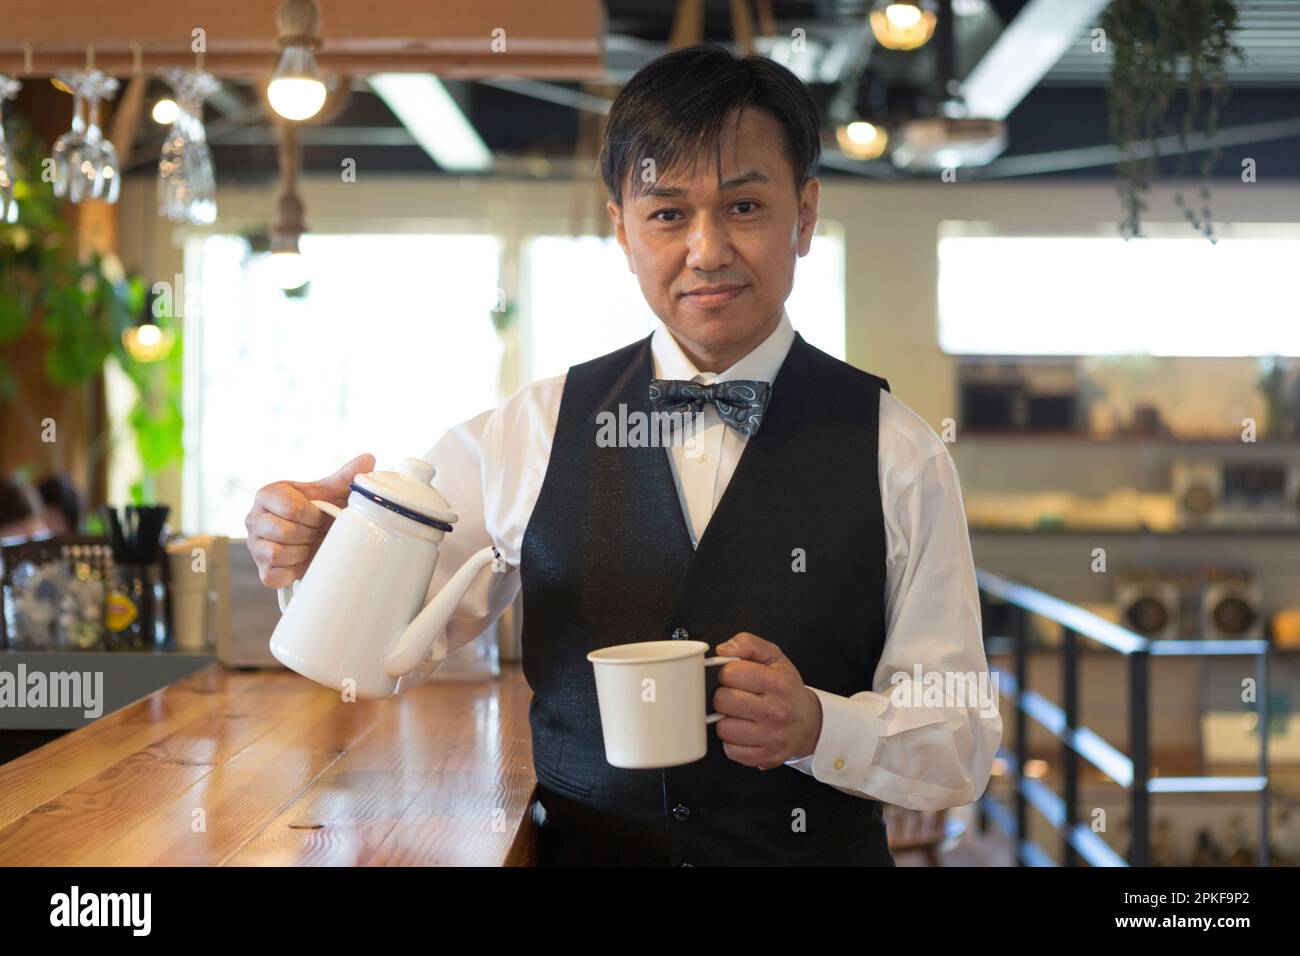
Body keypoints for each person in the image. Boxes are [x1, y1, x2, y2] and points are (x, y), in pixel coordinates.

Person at [245, 43, 1002, 866]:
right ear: (622, 228)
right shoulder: (528, 430)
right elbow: (374, 657)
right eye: (668, 213)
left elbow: (960, 739)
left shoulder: (901, 451)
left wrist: (823, 725)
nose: (707, 250)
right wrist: (318, 555)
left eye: (744, 207)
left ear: (805, 215)